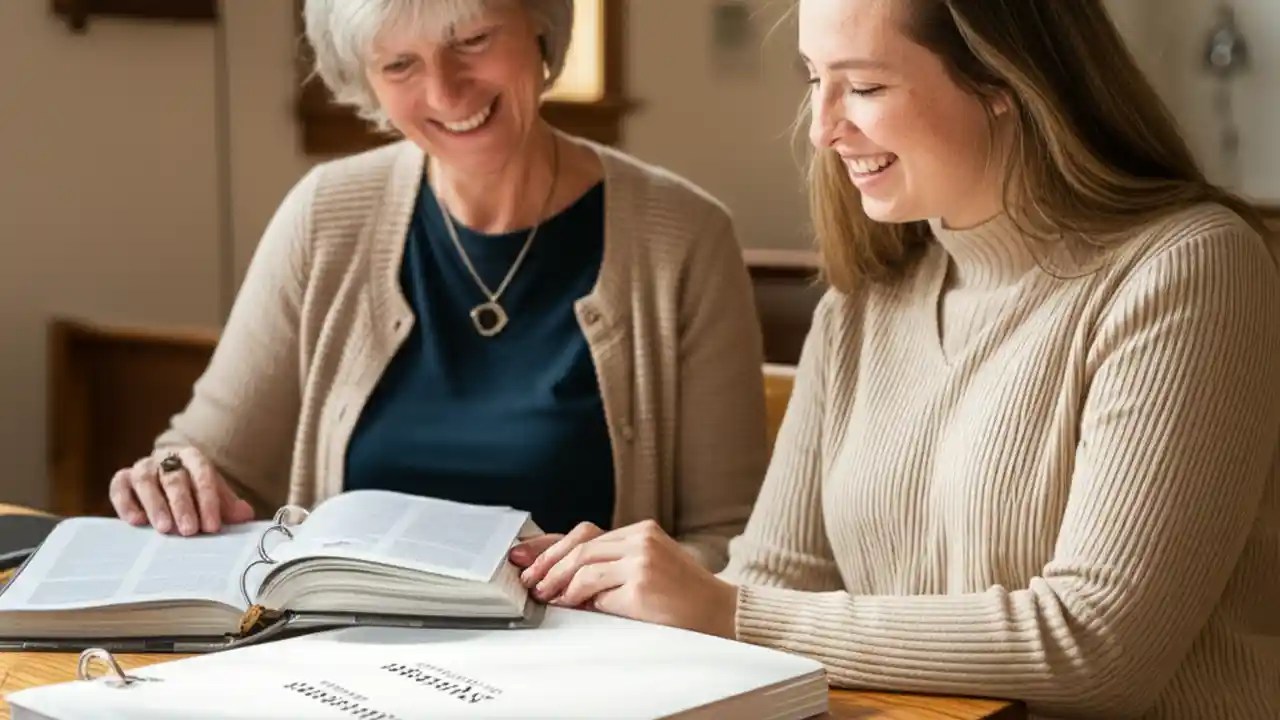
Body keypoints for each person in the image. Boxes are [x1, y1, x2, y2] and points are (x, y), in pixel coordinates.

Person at [510, 1, 1280, 717]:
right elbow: (777, 575)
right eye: (815, 81)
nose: (822, 128)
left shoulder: (1190, 268)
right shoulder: (863, 305)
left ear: (1005, 80)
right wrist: (619, 593)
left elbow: (1101, 649)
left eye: (865, 87)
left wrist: (725, 610)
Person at [107, 0, 768, 572]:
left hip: (580, 668)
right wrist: (175, 480)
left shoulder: (684, 236)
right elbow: (211, 459)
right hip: (342, 658)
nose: (448, 93)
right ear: (365, 79)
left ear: (539, 26)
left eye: (472, 41)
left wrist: (622, 583)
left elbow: (729, 539)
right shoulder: (325, 214)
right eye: (400, 65)